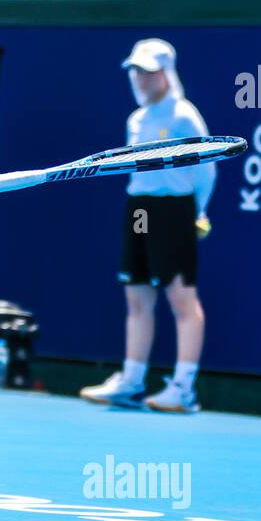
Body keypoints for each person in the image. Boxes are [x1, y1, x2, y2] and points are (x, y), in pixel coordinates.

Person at [81, 38, 214, 413]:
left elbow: (207, 170)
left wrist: (198, 212)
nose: (141, 78)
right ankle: (132, 380)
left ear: (166, 74)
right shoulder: (135, 120)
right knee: (136, 296)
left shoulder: (185, 116)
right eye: (137, 70)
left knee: (181, 298)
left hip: (176, 210)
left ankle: (184, 388)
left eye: (149, 71)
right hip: (138, 207)